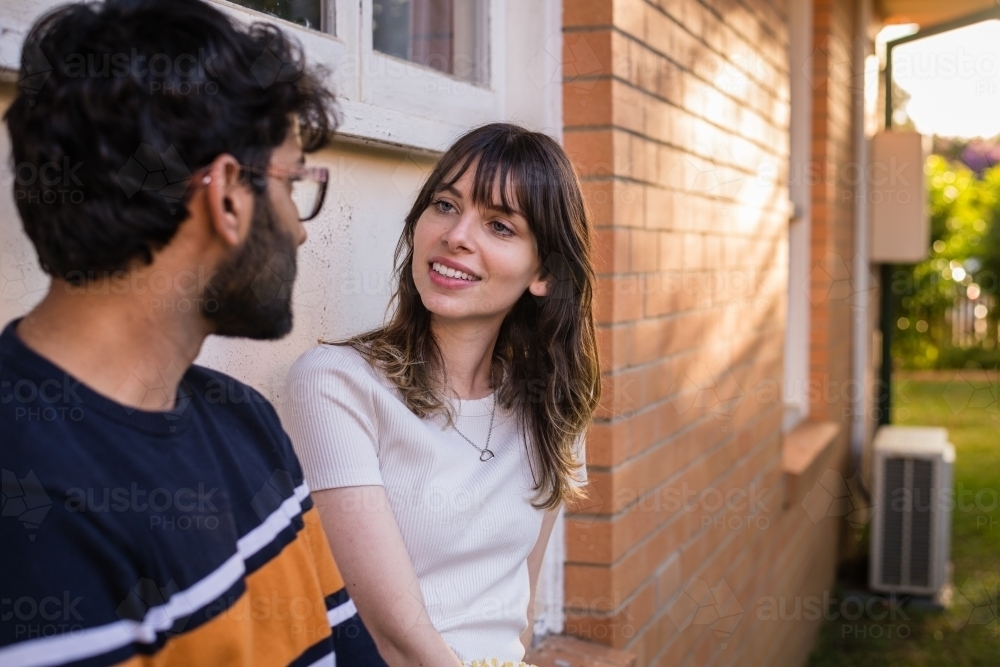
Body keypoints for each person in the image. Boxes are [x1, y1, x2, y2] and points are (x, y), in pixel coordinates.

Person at [0, 0, 379, 664]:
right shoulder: (35, 503)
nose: (298, 227)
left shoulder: (247, 424)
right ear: (229, 195)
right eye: (295, 186)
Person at [282, 123, 602, 665]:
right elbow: (396, 637)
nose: (457, 235)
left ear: (543, 271)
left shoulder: (553, 410)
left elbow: (514, 611)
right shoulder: (337, 385)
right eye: (446, 205)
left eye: (500, 225)